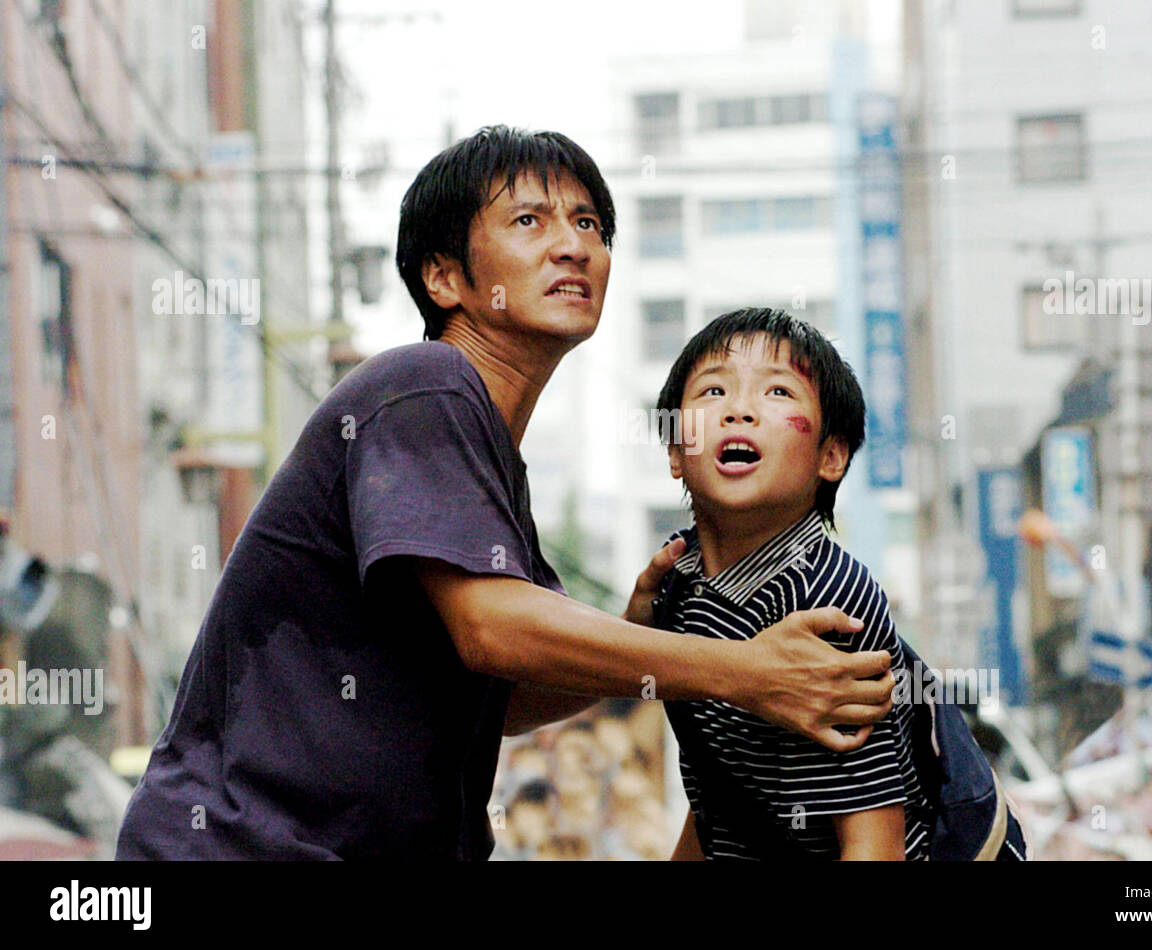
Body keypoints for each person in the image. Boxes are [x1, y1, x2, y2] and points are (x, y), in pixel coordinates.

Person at [115, 127, 895, 861]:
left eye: (590, 224)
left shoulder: (487, 464)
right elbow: (492, 629)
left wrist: (628, 631)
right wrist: (747, 671)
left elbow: (507, 699)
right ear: (445, 276)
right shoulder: (424, 387)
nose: (574, 245)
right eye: (530, 219)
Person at [650, 308, 933, 861]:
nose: (739, 409)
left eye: (778, 392)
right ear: (675, 453)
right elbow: (718, 794)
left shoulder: (828, 598)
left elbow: (874, 838)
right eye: (712, 391)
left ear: (831, 455)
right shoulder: (677, 583)